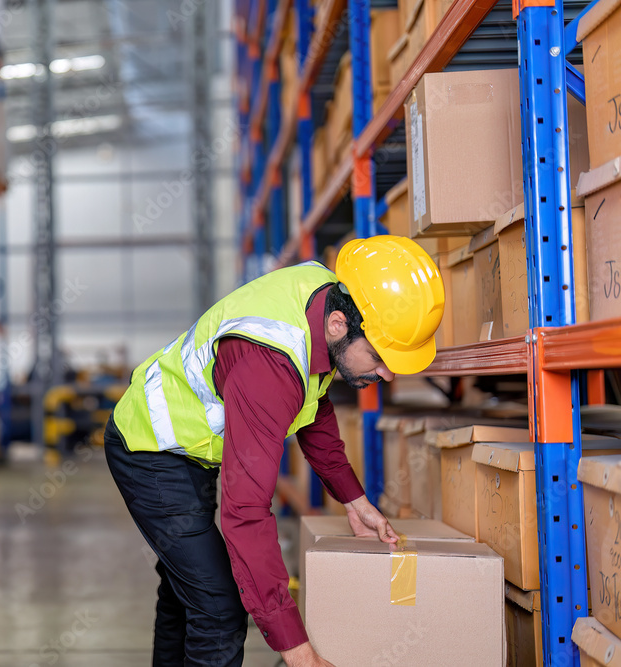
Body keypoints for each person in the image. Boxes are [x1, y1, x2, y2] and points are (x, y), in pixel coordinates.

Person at [106, 236, 445, 667]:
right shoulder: (268, 366)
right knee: (219, 610)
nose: (388, 373)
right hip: (149, 449)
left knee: (185, 589)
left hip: (191, 448)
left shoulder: (324, 298)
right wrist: (298, 651)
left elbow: (313, 405)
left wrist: (354, 501)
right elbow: (245, 514)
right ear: (340, 324)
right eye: (379, 356)